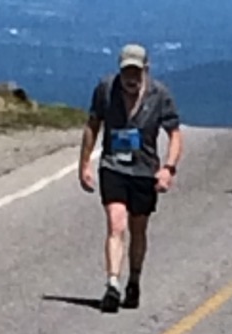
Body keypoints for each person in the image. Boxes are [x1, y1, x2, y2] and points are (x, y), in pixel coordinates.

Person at [79, 43, 182, 314]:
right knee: (116, 224)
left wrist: (168, 168)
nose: (131, 79)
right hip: (113, 166)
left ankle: (134, 279)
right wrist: (85, 164)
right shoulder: (105, 90)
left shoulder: (160, 95)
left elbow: (175, 134)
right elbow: (93, 125)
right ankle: (112, 284)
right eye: (127, 73)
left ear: (146, 70)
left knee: (138, 229)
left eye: (136, 72)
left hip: (145, 170)